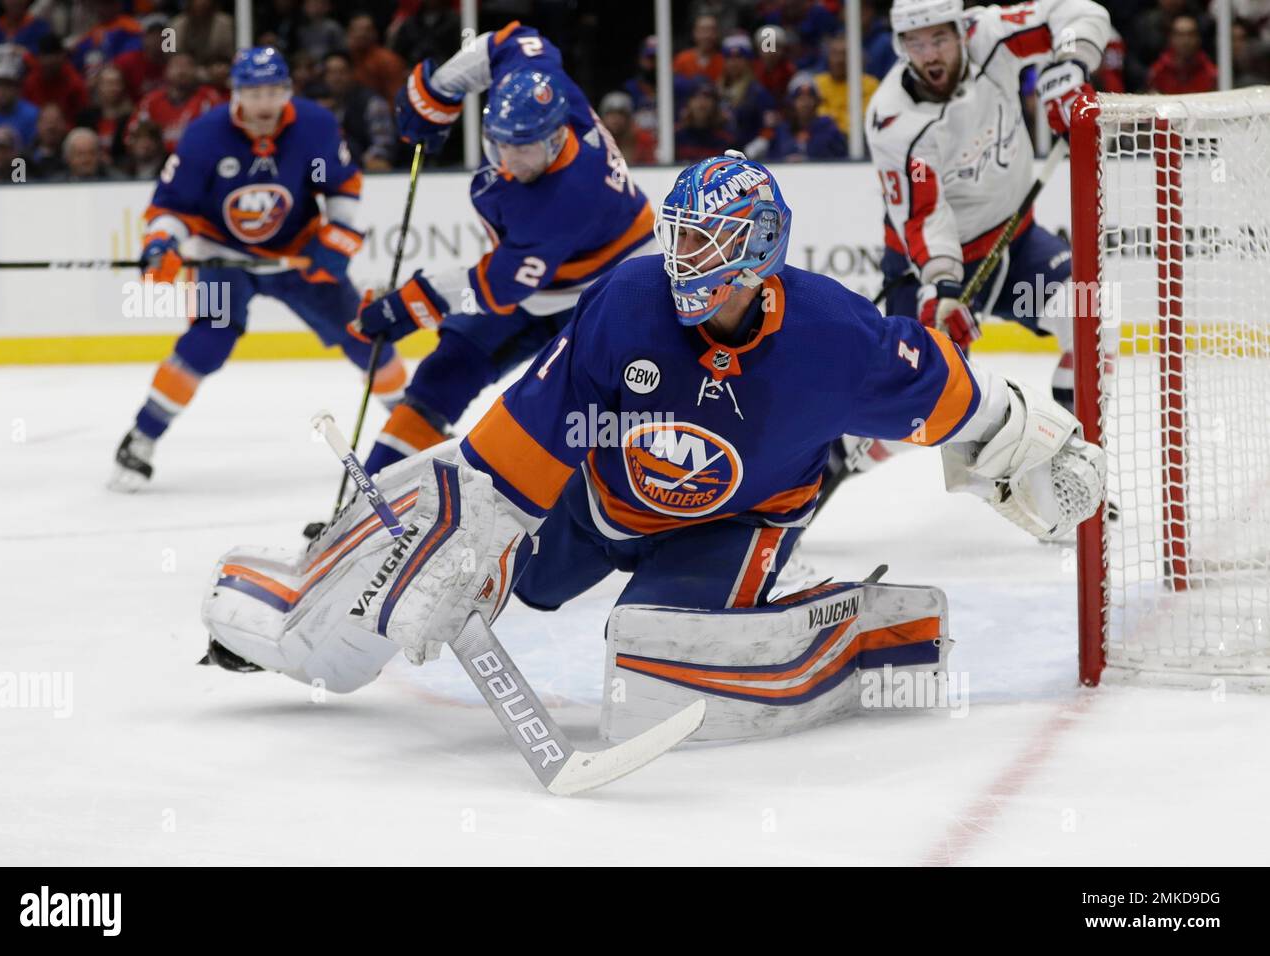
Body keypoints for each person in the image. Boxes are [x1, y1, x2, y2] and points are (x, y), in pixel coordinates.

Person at [199, 153, 1106, 724]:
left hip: (736, 523)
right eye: (682, 242)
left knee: (654, 666)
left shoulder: (840, 342)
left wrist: (1043, 449)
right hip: (600, 500)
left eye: (709, 251)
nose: (686, 266)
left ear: (758, 255)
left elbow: (961, 399)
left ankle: (862, 636)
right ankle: (296, 607)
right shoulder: (627, 304)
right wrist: (470, 549)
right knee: (456, 537)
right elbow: (508, 453)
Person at [347, 22, 656, 479]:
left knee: (580, 415)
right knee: (445, 371)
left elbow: (495, 289)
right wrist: (440, 91)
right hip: (550, 277)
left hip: (611, 294)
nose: (511, 161)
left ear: (556, 139)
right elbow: (515, 39)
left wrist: (406, 307)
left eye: (526, 150)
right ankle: (365, 506)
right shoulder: (543, 85)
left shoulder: (566, 198)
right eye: (501, 146)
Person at [110, 47, 408, 490]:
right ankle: (141, 437)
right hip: (221, 255)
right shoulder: (204, 136)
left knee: (364, 334)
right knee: (207, 341)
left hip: (297, 252)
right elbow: (171, 206)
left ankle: (415, 431)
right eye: (254, 93)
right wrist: (161, 243)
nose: (264, 103)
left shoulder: (316, 126)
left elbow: (341, 183)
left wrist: (336, 237)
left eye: (273, 91)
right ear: (236, 94)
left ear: (287, 91)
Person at [866, 0, 1110, 416]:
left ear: (961, 32)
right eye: (916, 42)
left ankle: (1074, 455)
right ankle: (830, 460)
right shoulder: (894, 121)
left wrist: (1071, 63)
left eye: (939, 38)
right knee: (915, 410)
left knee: (1092, 321)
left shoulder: (989, 37)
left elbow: (1077, 9)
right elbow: (925, 217)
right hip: (938, 265)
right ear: (900, 44)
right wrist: (942, 290)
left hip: (1016, 244)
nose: (930, 54)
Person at [767, 72, 847, 162]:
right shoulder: (781, 131)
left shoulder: (829, 128)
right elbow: (772, 161)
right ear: (792, 103)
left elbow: (841, 159)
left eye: (809, 97)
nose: (805, 103)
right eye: (800, 98)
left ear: (816, 101)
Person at [1147, 14, 1218, 94]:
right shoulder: (1158, 73)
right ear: (1171, 38)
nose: (1185, 41)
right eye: (1180, 35)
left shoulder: (1211, 74)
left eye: (1190, 34)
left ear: (1198, 39)